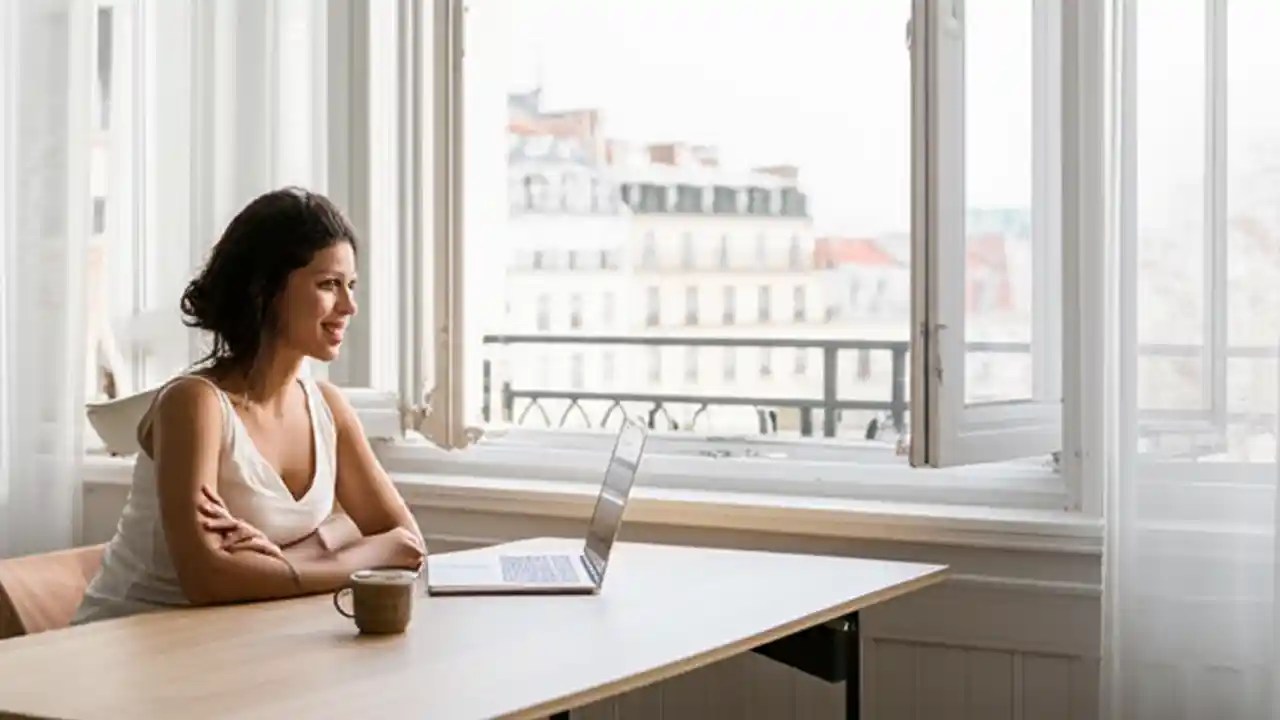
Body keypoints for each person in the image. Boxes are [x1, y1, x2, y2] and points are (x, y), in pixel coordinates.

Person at [74, 187, 425, 624]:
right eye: (328, 284)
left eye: (350, 285)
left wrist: (284, 561)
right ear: (266, 289)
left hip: (236, 635)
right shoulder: (194, 404)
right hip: (129, 633)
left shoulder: (328, 408)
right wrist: (337, 560)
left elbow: (407, 544)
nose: (349, 306)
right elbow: (206, 580)